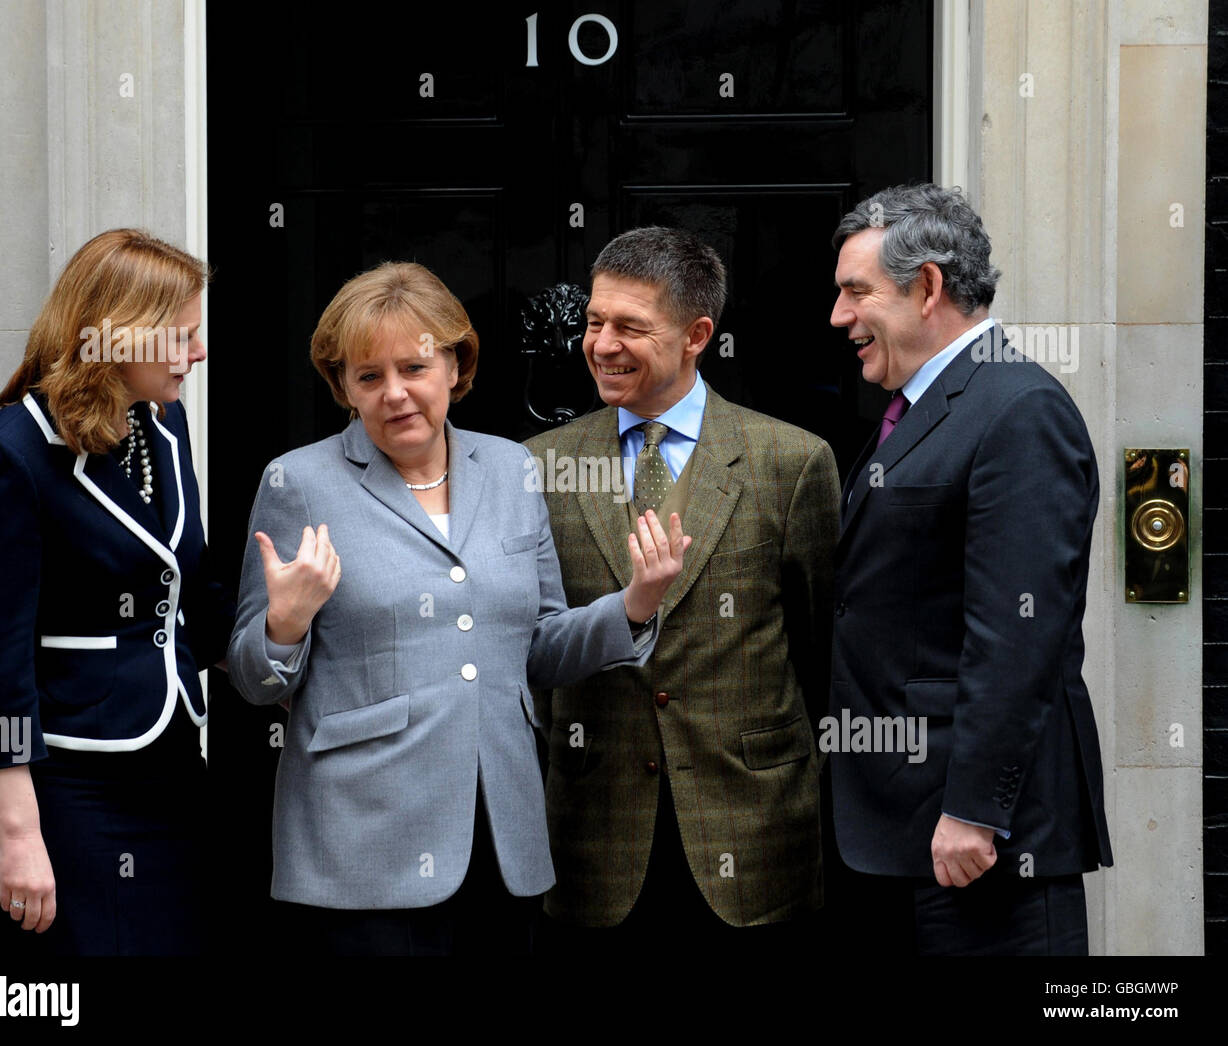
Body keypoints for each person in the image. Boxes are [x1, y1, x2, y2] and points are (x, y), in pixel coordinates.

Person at [225, 261, 687, 956]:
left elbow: (539, 648)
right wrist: (283, 625)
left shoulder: (509, 470)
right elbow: (254, 682)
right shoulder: (300, 482)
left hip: (503, 840)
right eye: (369, 375)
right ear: (343, 386)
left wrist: (634, 603)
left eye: (413, 367)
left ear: (454, 364)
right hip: (365, 847)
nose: (395, 393)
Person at [524, 226, 841, 951]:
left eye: (630, 327)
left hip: (753, 833)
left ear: (698, 333)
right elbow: (534, 650)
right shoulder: (539, 466)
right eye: (595, 322)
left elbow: (820, 648)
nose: (601, 344)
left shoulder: (791, 462)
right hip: (593, 837)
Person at [827, 183, 1113, 955]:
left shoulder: (1019, 411)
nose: (839, 317)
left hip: (978, 849)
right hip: (904, 834)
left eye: (857, 293)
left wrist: (976, 813)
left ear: (926, 289)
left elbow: (1017, 633)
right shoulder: (925, 409)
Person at [0, 228, 231, 955]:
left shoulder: (162, 424)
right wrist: (17, 835)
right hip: (64, 791)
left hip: (168, 770)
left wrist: (281, 627)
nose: (196, 355)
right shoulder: (6, 458)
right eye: (181, 338)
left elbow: (188, 589)